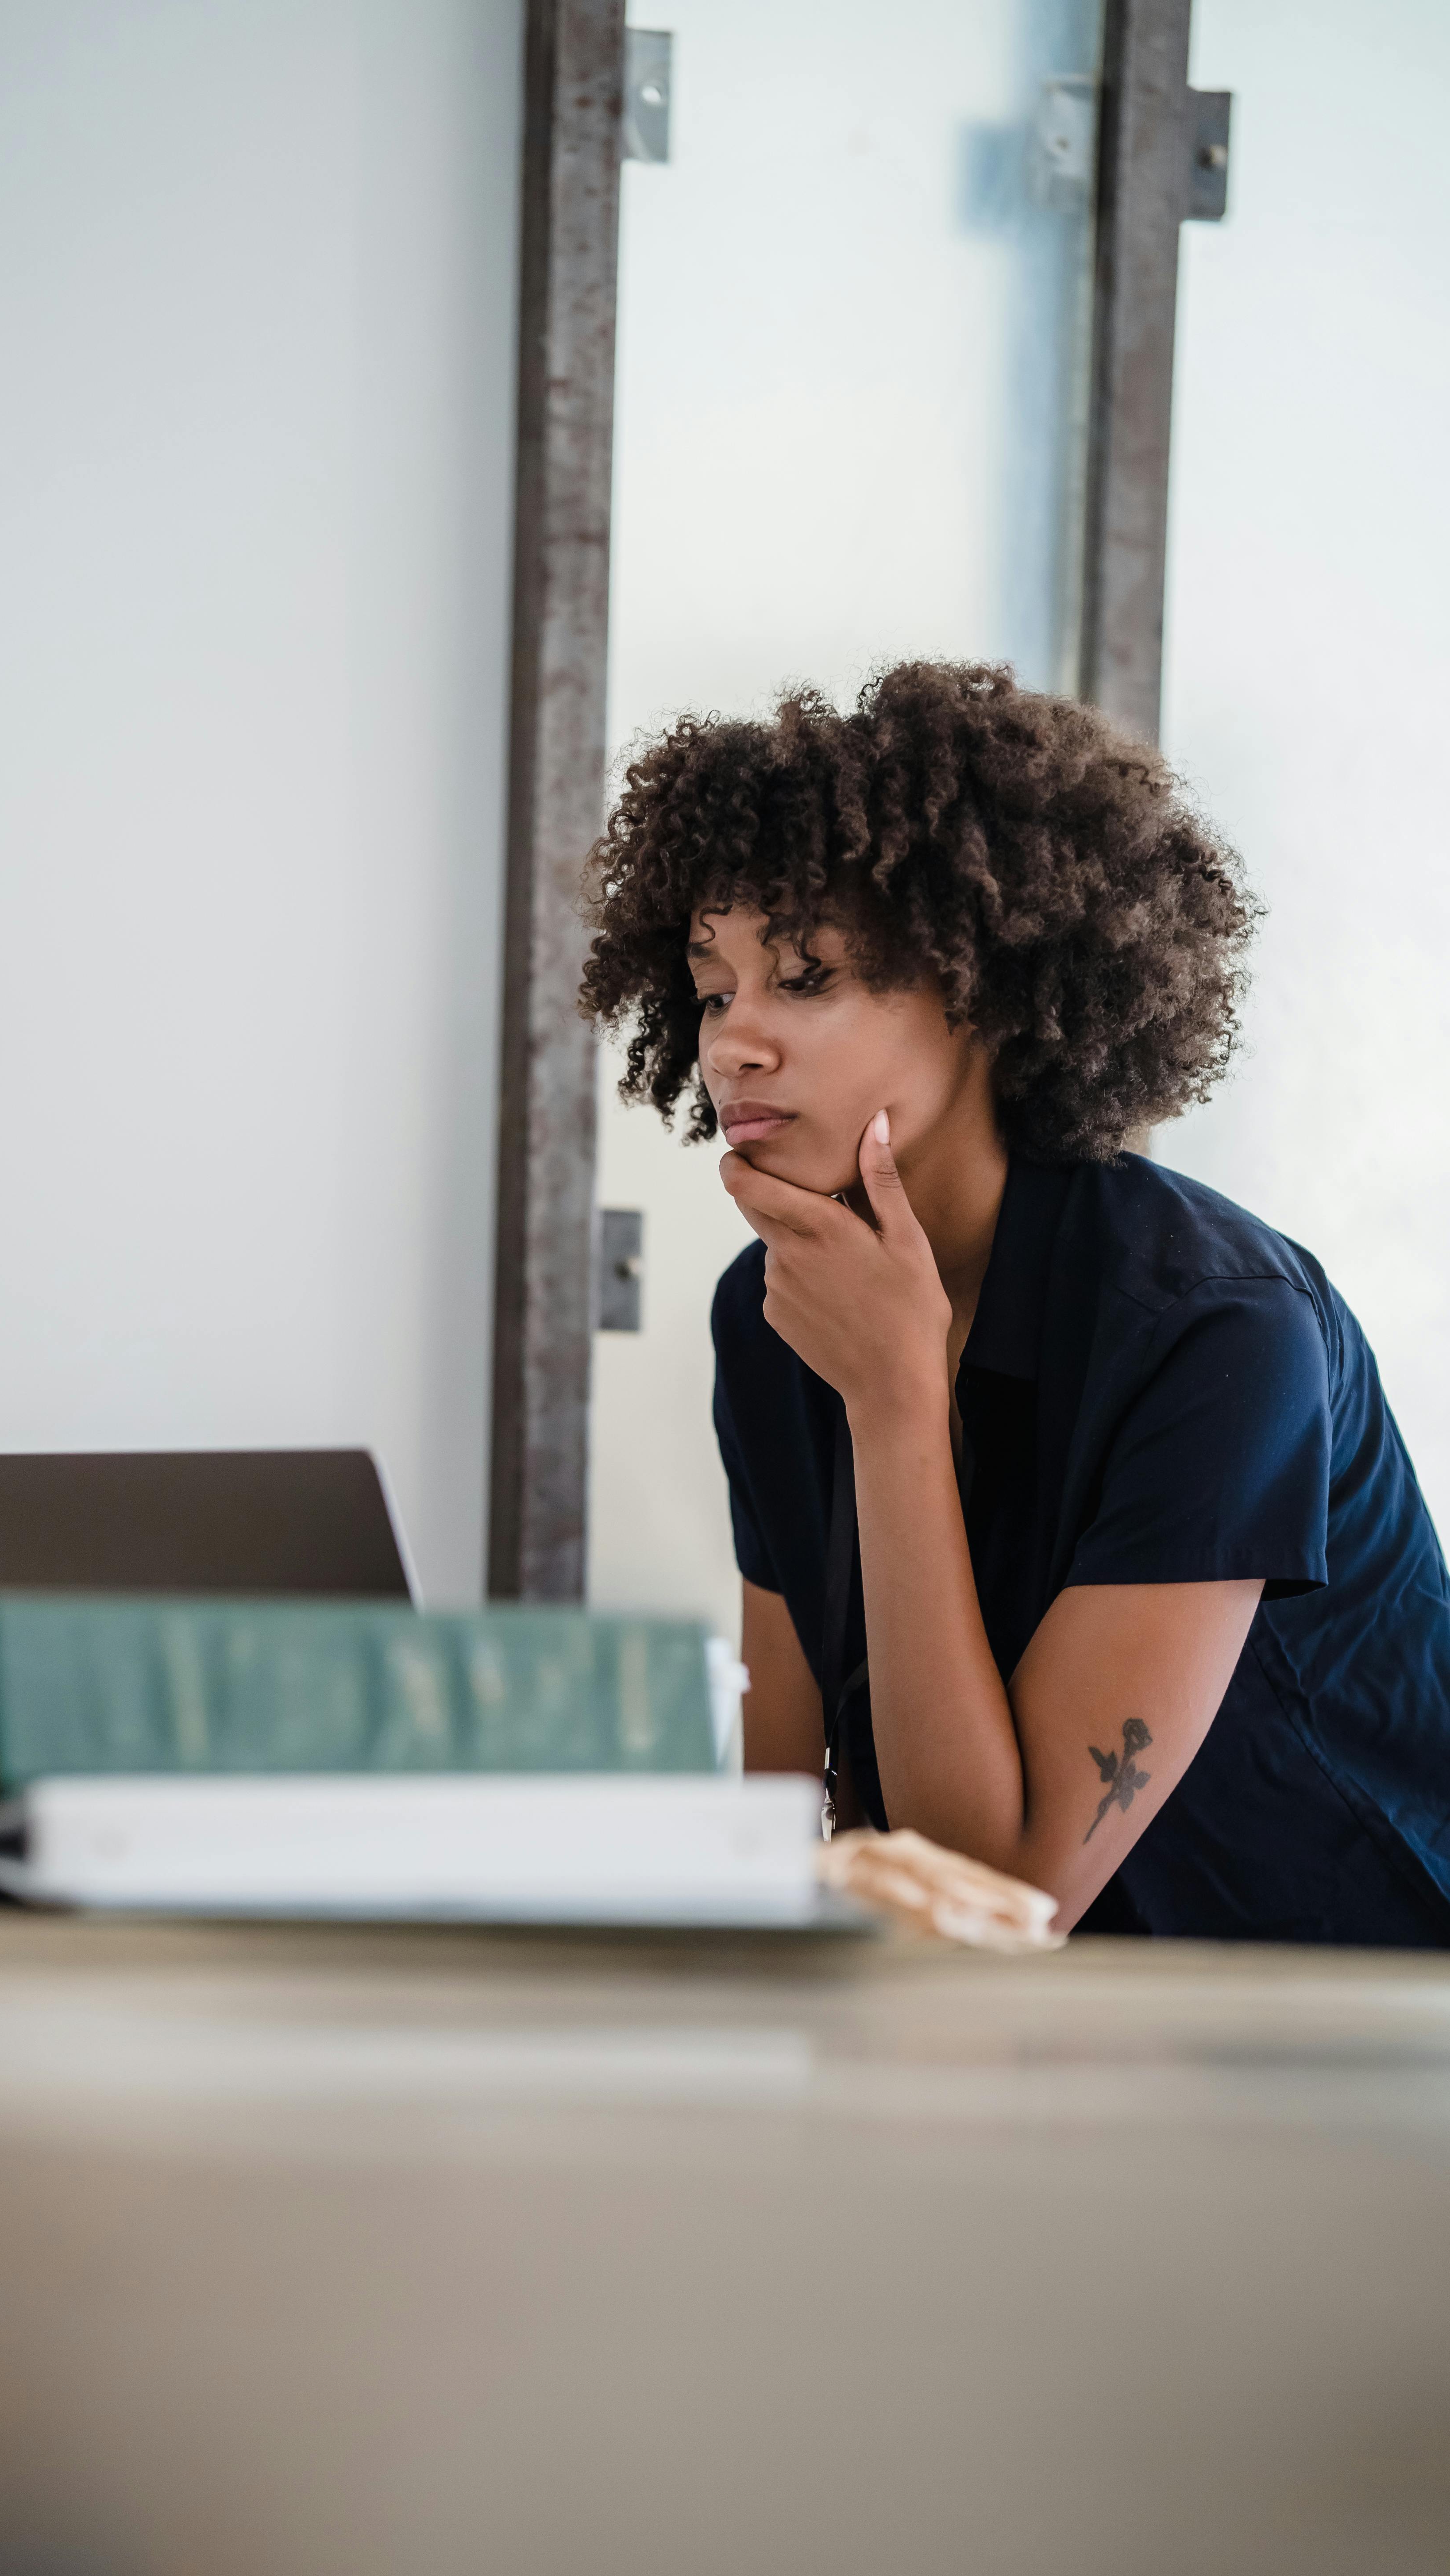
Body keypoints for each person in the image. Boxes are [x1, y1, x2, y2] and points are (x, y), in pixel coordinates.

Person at [578, 662, 1450, 1943]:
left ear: (977, 990)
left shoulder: (1218, 1328)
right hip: (1030, 2051)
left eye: (805, 976)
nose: (732, 1042)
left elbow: (999, 1891)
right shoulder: (771, 1311)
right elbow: (774, 1802)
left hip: (1348, 2048)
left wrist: (894, 1400)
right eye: (715, 988)